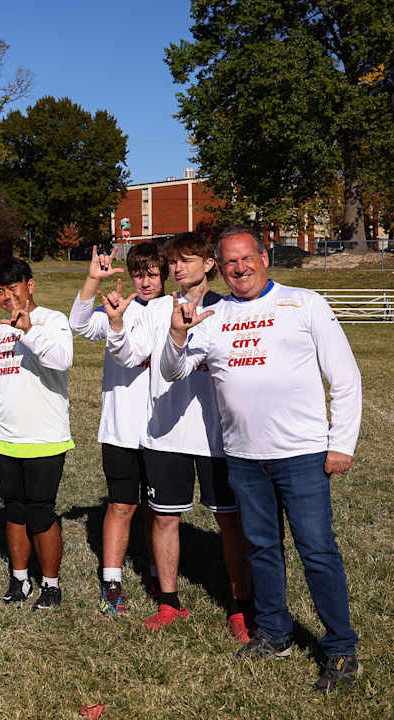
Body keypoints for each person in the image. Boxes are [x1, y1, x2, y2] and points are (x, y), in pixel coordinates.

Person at [162, 227, 363, 693]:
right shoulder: (212, 315)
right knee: (262, 548)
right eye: (230, 262)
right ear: (219, 267)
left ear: (264, 258)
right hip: (244, 457)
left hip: (301, 453)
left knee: (317, 550)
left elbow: (345, 377)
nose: (240, 268)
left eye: (247, 258)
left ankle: (340, 647)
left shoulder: (303, 303)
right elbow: (174, 371)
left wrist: (342, 443)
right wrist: (177, 334)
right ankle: (274, 633)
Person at [102, 232, 253, 639]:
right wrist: (116, 326)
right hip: (164, 434)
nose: (177, 267)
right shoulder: (156, 310)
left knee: (230, 522)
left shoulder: (228, 310)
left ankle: (240, 607)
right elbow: (131, 356)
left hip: (217, 437)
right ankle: (169, 602)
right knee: (166, 519)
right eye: (173, 262)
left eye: (187, 260)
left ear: (209, 264)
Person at [68, 243, 166, 617]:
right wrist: (93, 279)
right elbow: (78, 323)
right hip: (120, 429)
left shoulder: (173, 308)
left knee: (159, 510)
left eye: (152, 274)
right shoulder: (117, 308)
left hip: (163, 430)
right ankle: (112, 582)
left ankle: (158, 574)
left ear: (164, 275)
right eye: (139, 274)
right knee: (121, 505)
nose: (145, 281)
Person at [0, 258, 73, 611]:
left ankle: (51, 584)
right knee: (15, 511)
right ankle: (19, 578)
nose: (7, 296)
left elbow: (62, 360)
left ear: (29, 286)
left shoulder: (53, 320)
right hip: (5, 440)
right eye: (0, 291)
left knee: (41, 513)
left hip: (45, 438)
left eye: (12, 287)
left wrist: (29, 330)